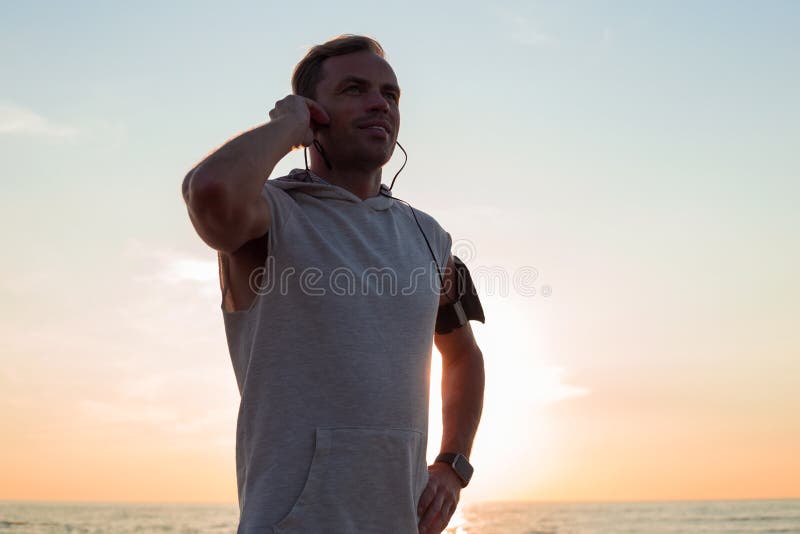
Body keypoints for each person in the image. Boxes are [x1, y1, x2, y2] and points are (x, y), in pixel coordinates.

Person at [181, 34, 485, 534]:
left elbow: (464, 355)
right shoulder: (271, 214)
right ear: (312, 112)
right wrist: (286, 127)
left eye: (390, 94)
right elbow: (210, 191)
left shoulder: (431, 239)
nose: (379, 104)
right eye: (354, 89)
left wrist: (454, 465)